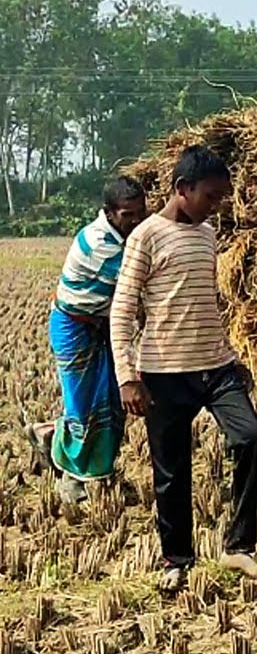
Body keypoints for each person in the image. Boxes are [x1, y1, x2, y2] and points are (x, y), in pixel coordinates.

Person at [109, 144, 257, 593]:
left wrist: (232, 356)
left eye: (220, 197)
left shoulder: (206, 234)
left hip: (215, 366)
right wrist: (128, 376)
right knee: (171, 470)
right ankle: (176, 559)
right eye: (211, 196)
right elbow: (122, 310)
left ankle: (239, 545)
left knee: (252, 438)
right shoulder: (146, 237)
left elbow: (205, 303)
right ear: (183, 189)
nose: (216, 205)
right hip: (164, 372)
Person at [24, 176, 148, 504]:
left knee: (109, 404)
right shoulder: (99, 243)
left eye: (140, 212)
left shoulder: (127, 236)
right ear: (109, 213)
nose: (136, 220)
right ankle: (71, 479)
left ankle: (48, 434)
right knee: (82, 408)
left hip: (103, 326)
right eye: (127, 214)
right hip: (74, 327)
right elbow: (140, 282)